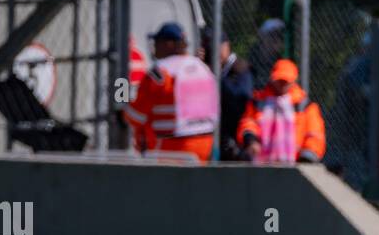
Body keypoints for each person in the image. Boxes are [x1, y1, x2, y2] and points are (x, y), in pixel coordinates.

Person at [124, 22, 217, 163]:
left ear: (169, 44)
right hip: (205, 144)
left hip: (172, 147)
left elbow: (135, 116)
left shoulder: (160, 74)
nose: (154, 46)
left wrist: (121, 96)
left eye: (157, 42)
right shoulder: (202, 68)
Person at [237, 59, 326, 164]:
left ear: (294, 81)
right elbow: (248, 123)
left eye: (286, 81)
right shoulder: (258, 101)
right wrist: (251, 140)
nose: (282, 84)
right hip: (261, 166)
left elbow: (315, 136)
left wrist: (306, 159)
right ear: (272, 79)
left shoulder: (306, 107)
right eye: (279, 80)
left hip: (296, 164)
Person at [203, 29, 254, 160]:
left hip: (236, 135)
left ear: (227, 45)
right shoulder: (207, 68)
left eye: (218, 46)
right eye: (210, 48)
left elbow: (240, 96)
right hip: (214, 134)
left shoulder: (240, 68)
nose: (214, 51)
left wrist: (217, 77)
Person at [251, 18, 287, 92]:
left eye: (280, 36)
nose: (277, 39)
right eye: (272, 35)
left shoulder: (281, 62)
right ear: (262, 37)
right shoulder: (252, 60)